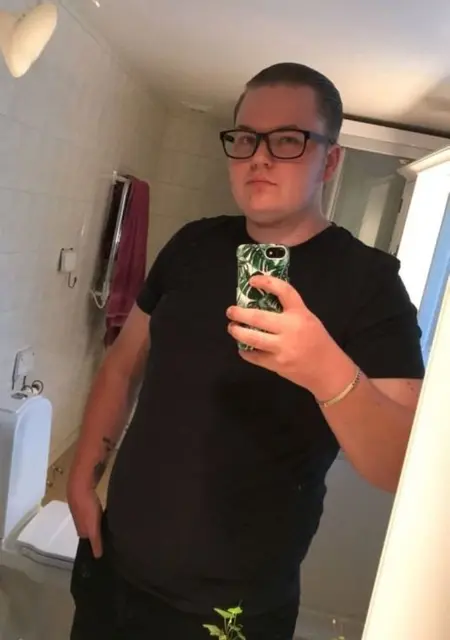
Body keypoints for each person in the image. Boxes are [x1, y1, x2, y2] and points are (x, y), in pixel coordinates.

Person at [68, 62, 424, 640]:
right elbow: (122, 364)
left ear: (330, 161)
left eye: (287, 140)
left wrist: (324, 368)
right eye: (245, 139)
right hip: (113, 566)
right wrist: (83, 478)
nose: (259, 157)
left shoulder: (371, 284)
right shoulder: (192, 244)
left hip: (232, 611)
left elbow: (397, 466)